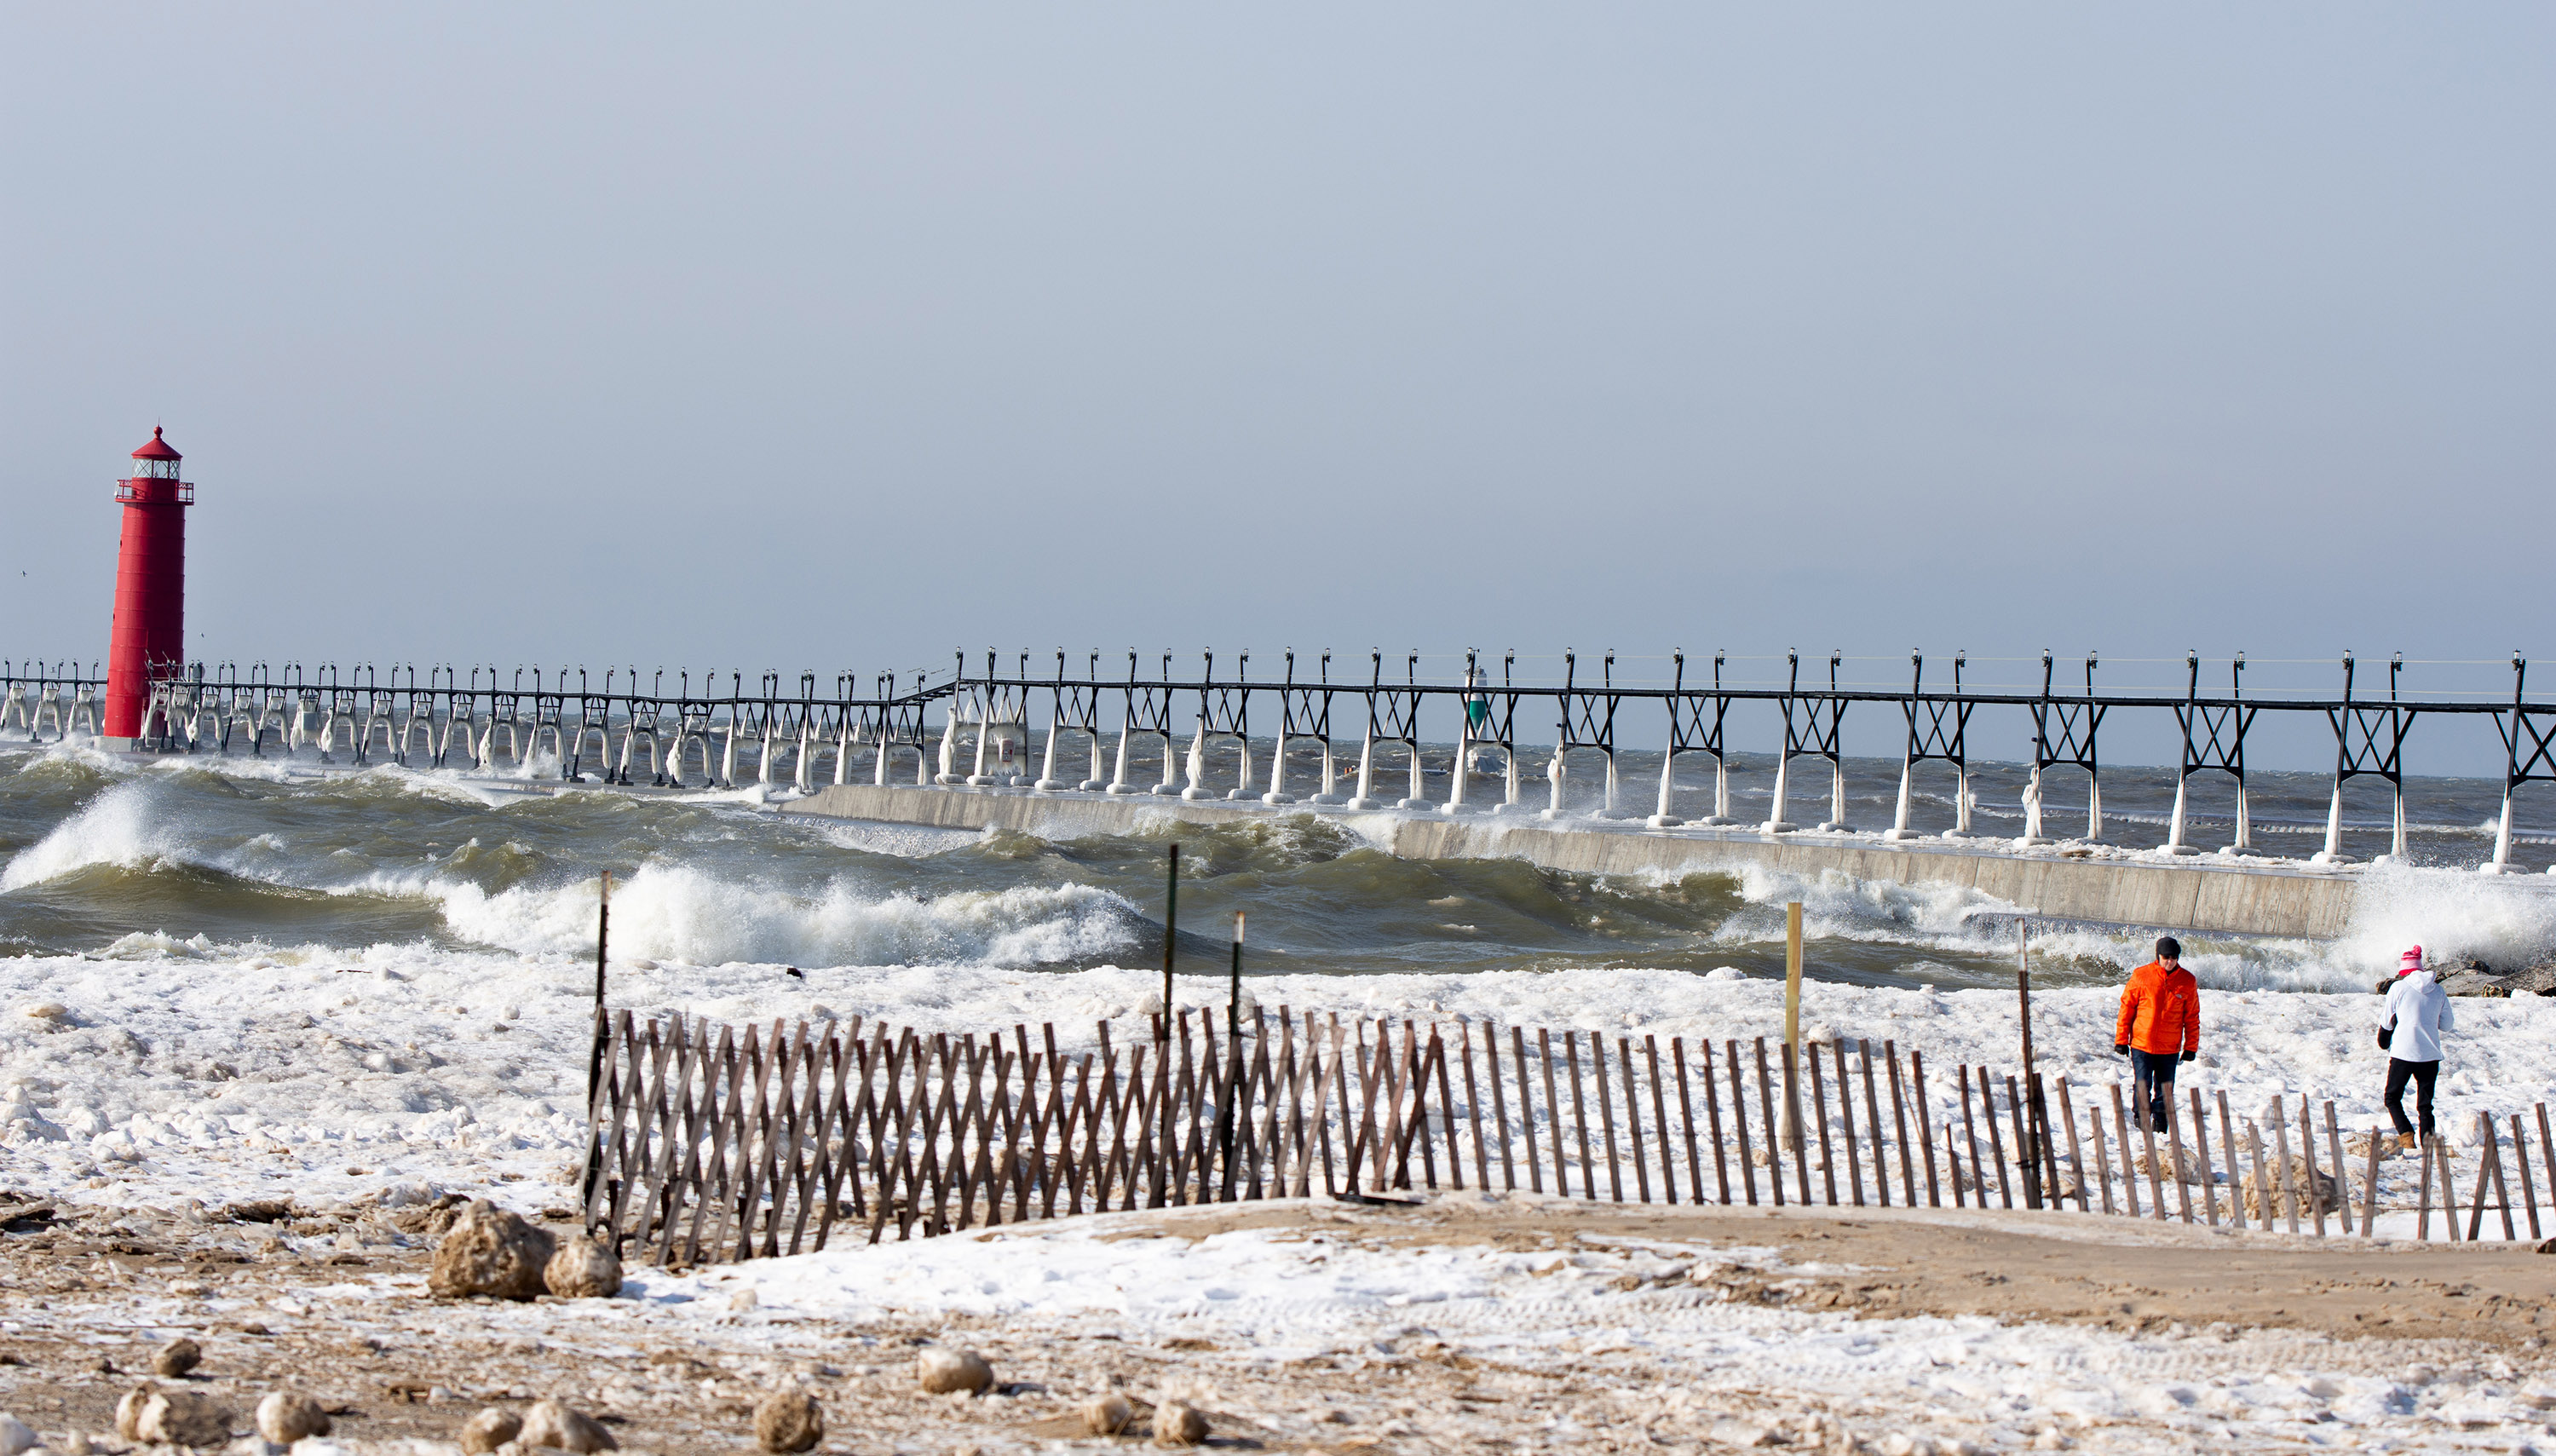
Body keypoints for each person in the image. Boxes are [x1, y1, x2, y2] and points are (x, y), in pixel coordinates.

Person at [2116, 936, 2200, 1132]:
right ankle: (2141, 1121)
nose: (2170, 961)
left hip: (2169, 1048)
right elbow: (2127, 1008)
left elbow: (2192, 1016)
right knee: (2142, 1084)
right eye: (2166, 957)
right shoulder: (2142, 975)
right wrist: (2121, 1039)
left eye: (2174, 957)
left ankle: (2161, 1126)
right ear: (2158, 956)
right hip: (2142, 1044)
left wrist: (2190, 1047)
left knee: (2165, 1090)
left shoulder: (2187, 981)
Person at [2380, 945, 2454, 1145]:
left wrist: (2383, 1040)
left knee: (2392, 1097)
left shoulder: (2398, 988)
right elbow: (2447, 1026)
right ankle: (2428, 1142)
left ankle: (2406, 1134)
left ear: (2404, 971)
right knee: (2425, 1105)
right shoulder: (2438, 990)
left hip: (2403, 1053)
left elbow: (2386, 1022)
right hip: (2430, 1055)